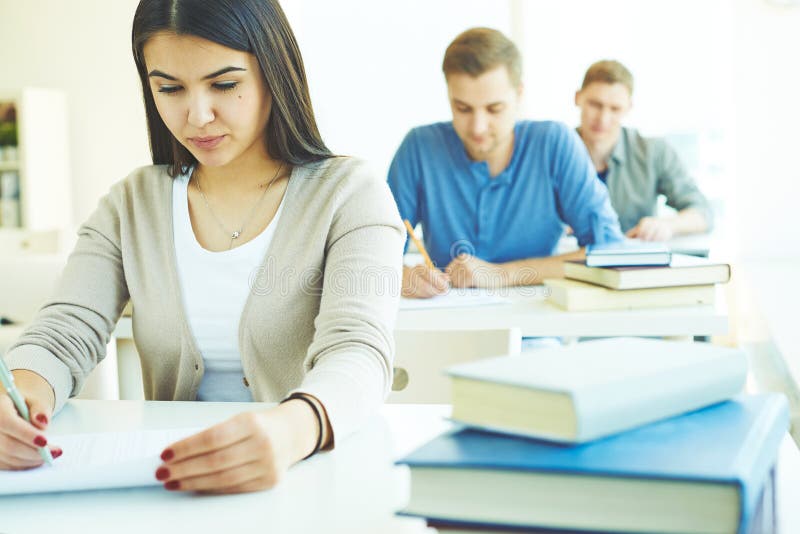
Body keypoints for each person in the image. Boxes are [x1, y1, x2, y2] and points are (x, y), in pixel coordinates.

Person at [0, 0, 404, 493]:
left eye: (224, 85)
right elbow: (63, 334)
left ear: (274, 72)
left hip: (309, 477)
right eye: (169, 88)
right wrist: (18, 397)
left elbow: (358, 353)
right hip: (174, 486)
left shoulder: (350, 193)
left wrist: (290, 428)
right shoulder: (133, 203)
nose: (197, 115)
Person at [387, 28, 623, 299]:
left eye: (494, 109)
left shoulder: (553, 144)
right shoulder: (419, 147)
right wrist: (403, 276)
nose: (478, 127)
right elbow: (371, 254)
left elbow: (610, 251)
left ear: (519, 94)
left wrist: (502, 273)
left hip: (534, 332)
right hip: (445, 328)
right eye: (462, 108)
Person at [575, 60, 713, 241]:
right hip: (564, 265)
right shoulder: (552, 151)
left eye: (615, 108)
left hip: (634, 267)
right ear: (578, 98)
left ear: (629, 108)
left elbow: (703, 213)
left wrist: (667, 225)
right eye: (595, 104)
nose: (603, 118)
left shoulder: (653, 152)